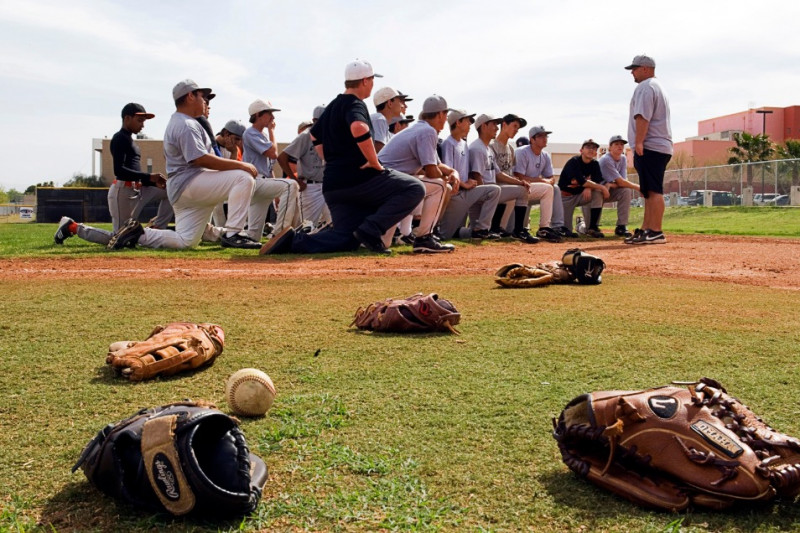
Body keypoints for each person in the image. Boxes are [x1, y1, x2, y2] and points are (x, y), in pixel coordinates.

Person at [261, 59, 425, 255]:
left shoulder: (333, 106)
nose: (373, 84)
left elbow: (315, 135)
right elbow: (358, 127)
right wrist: (373, 162)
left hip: (334, 185)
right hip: (360, 180)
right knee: (415, 188)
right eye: (372, 79)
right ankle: (371, 229)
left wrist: (329, 160)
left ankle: (292, 243)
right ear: (364, 81)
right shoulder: (355, 103)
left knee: (347, 238)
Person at [106, 79, 261, 250]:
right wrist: (241, 165)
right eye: (202, 96)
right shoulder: (185, 123)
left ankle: (138, 234)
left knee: (186, 241)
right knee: (243, 177)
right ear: (190, 96)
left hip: (183, 188)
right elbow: (199, 159)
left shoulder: (184, 122)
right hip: (190, 183)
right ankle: (234, 233)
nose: (205, 101)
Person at [54, 103, 168, 247]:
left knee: (170, 190)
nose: (143, 125)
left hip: (138, 189)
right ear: (127, 118)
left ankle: (157, 228)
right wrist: (149, 177)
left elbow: (135, 172)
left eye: (144, 121)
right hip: (123, 192)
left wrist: (152, 182)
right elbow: (119, 171)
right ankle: (73, 227)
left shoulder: (130, 140)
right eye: (139, 120)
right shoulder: (119, 138)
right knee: (120, 237)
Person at [378, 95, 459, 253]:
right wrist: (446, 179)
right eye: (445, 115)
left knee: (383, 243)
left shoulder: (422, 128)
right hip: (388, 182)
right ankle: (424, 238)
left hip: (386, 182)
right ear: (441, 114)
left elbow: (436, 164)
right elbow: (431, 171)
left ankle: (419, 235)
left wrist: (453, 172)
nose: (446, 119)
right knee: (440, 186)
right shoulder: (428, 131)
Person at [469, 114, 538, 244]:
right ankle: (517, 230)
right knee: (474, 230)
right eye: (493, 124)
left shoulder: (491, 148)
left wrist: (520, 182)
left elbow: (499, 173)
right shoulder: (481, 147)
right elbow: (476, 175)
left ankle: (508, 229)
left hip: (493, 190)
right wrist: (484, 193)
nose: (496, 128)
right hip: (486, 191)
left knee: (521, 189)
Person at [625, 54, 672, 244]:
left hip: (651, 145)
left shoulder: (646, 87)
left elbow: (642, 116)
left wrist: (639, 142)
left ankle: (656, 231)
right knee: (648, 191)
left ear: (646, 68)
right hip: (658, 145)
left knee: (653, 190)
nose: (632, 73)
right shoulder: (655, 86)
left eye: (635, 69)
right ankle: (646, 229)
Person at [242, 99, 300, 241]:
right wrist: (272, 130)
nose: (273, 117)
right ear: (258, 115)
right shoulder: (250, 133)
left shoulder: (263, 135)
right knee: (291, 185)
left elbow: (269, 166)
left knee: (253, 236)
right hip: (254, 181)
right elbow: (273, 153)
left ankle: (213, 232)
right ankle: (279, 234)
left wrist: (276, 193)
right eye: (269, 113)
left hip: (263, 181)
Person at [439, 109, 501, 240]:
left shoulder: (464, 145)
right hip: (455, 194)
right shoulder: (448, 143)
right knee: (446, 235)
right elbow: (449, 173)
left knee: (494, 190)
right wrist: (465, 184)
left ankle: (481, 229)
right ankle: (474, 231)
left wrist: (469, 182)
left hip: (465, 193)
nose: (470, 125)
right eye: (467, 121)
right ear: (458, 122)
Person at [276, 105, 331, 229]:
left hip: (329, 186)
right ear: (314, 120)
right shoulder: (305, 136)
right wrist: (295, 181)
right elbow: (282, 158)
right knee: (307, 227)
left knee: (336, 224)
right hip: (310, 187)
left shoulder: (331, 135)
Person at [582, 135, 639, 237]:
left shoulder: (623, 158)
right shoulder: (605, 160)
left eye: (622, 144)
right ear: (610, 147)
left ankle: (621, 226)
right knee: (588, 229)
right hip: (593, 192)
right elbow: (620, 182)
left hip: (609, 190)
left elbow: (622, 182)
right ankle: (582, 225)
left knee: (625, 191)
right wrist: (639, 187)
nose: (620, 146)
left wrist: (610, 184)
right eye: (616, 144)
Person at [557, 139, 610, 237]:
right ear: (581, 150)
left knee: (597, 193)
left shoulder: (595, 164)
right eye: (588, 147)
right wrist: (602, 187)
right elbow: (582, 181)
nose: (591, 150)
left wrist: (589, 188)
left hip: (581, 195)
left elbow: (596, 181)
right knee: (566, 230)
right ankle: (580, 225)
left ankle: (592, 228)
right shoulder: (574, 162)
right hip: (566, 197)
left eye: (594, 148)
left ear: (596, 152)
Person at [490, 114, 527, 233]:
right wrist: (519, 182)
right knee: (520, 189)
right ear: (504, 125)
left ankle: (501, 228)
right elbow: (497, 174)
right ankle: (518, 230)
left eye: (518, 128)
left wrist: (519, 181)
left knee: (518, 189)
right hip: (493, 187)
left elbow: (510, 172)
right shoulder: (491, 146)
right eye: (514, 126)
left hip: (506, 187)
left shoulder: (511, 149)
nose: (516, 130)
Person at [370, 87, 412, 152]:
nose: (402, 105)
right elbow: (379, 153)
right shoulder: (379, 119)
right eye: (399, 101)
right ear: (390, 103)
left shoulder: (382, 121)